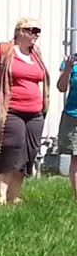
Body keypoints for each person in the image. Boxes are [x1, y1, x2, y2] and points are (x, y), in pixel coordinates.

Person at [0, 17, 50, 205]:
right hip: (10, 110)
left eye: (37, 31)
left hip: (35, 112)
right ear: (19, 31)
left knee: (29, 152)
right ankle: (0, 196)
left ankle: (13, 196)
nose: (36, 34)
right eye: (31, 30)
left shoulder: (35, 54)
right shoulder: (4, 50)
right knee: (10, 149)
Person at [56, 51, 77, 199]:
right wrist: (68, 68)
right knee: (75, 158)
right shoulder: (72, 61)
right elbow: (61, 87)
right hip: (72, 116)